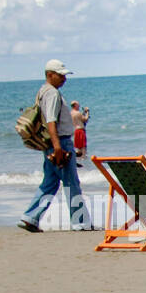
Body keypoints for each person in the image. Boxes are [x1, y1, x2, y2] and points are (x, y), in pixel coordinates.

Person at [19, 59, 92, 232]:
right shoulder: (51, 93)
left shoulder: (42, 92)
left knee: (50, 183)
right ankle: (80, 222)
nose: (64, 79)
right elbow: (51, 121)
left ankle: (30, 217)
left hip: (51, 144)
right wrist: (58, 147)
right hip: (60, 142)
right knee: (71, 183)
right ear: (49, 75)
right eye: (60, 75)